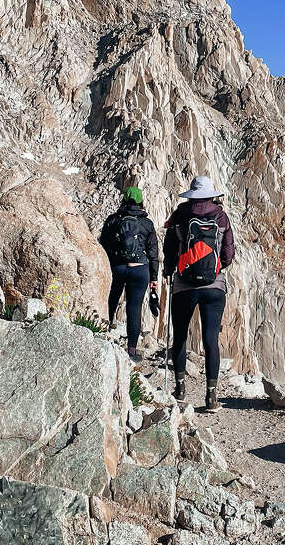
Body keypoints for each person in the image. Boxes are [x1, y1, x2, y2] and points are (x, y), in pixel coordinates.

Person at [162, 175, 235, 411]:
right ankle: (211, 397)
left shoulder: (180, 215)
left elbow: (170, 248)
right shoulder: (221, 216)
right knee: (211, 339)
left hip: (184, 285)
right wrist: (216, 267)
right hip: (214, 286)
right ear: (211, 194)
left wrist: (169, 270)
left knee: (180, 335)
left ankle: (180, 389)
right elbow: (228, 253)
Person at [100, 186, 159, 362]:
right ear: (141, 202)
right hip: (140, 270)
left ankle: (104, 333)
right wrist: (154, 277)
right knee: (134, 308)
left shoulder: (113, 220)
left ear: (124, 200)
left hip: (117, 267)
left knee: (111, 299)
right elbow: (153, 252)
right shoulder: (147, 224)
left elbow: (103, 244)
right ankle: (132, 352)